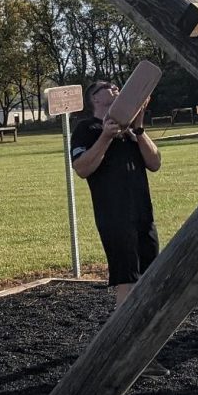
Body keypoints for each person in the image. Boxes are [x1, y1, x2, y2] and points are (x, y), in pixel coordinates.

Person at [69, 80, 161, 308]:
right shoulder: (86, 128)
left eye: (117, 87)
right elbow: (82, 168)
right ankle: (122, 337)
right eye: (108, 86)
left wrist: (138, 129)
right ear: (95, 98)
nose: (116, 89)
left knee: (150, 276)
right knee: (126, 279)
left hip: (143, 215)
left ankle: (146, 331)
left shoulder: (130, 131)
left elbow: (155, 162)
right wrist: (105, 137)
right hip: (114, 217)